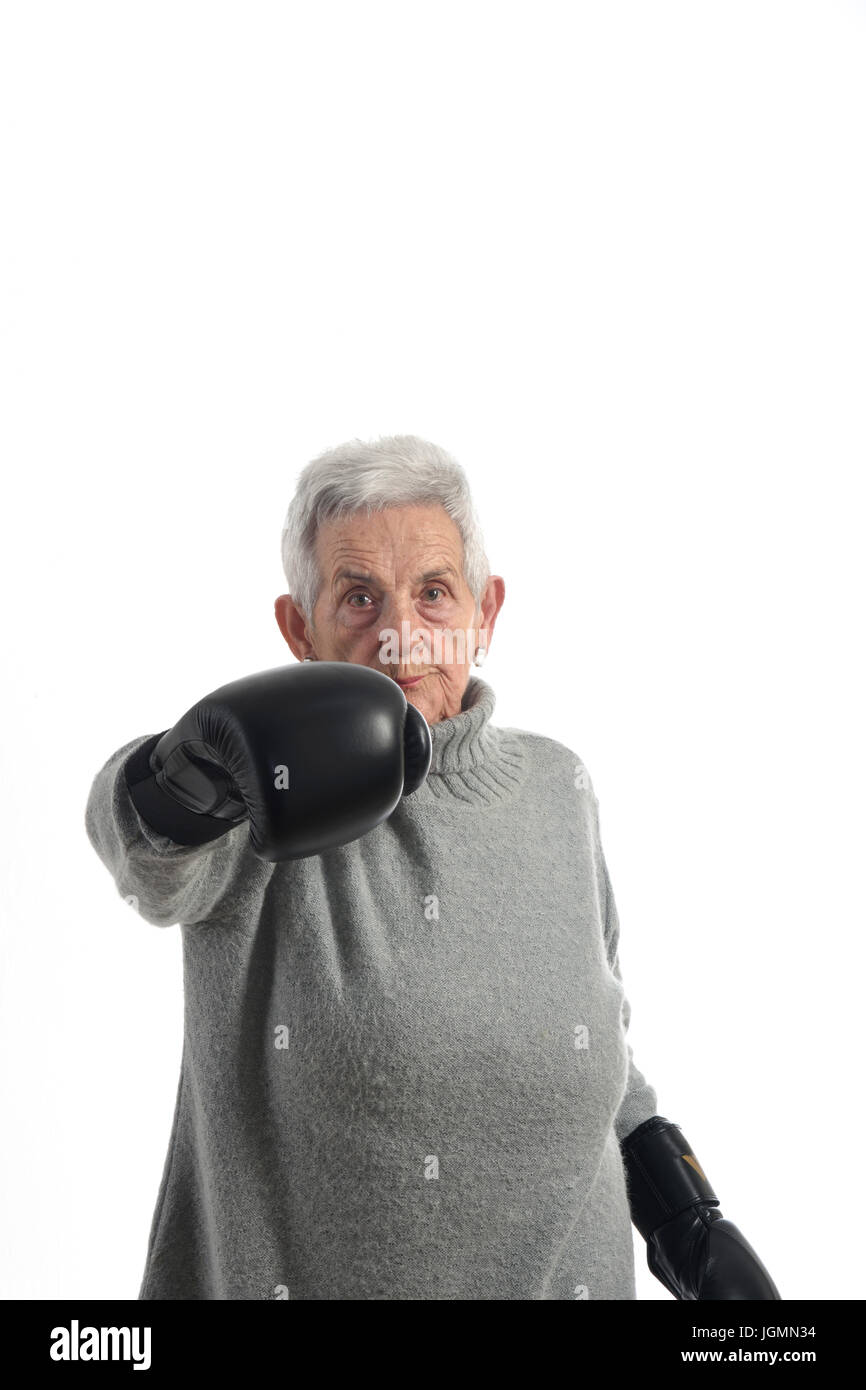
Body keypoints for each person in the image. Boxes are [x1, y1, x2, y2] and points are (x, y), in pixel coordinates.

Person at [84, 433, 779, 1300]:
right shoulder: (264, 801)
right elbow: (143, 855)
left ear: (486, 614)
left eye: (435, 593)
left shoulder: (558, 787)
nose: (402, 633)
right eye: (360, 597)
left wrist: (689, 1219)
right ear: (300, 628)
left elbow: (605, 1045)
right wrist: (189, 770)